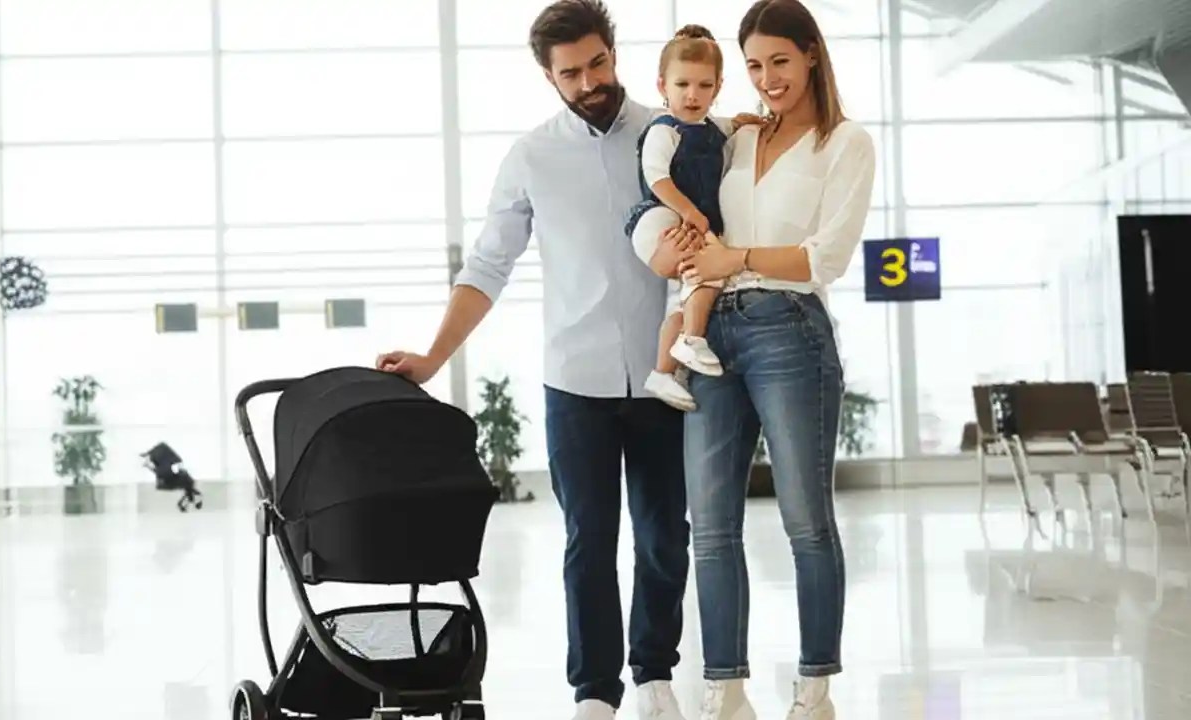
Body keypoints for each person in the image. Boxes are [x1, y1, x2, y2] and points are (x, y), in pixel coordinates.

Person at [375, 2, 693, 719]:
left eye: (598, 63)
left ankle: (655, 672)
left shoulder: (671, 135)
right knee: (588, 542)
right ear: (550, 78)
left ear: (615, 52)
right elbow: (488, 265)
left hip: (663, 377)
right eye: (572, 73)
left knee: (665, 534)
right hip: (574, 383)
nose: (590, 82)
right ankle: (593, 692)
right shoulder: (531, 157)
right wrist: (431, 358)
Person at [674, 1, 877, 719]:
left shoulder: (845, 143)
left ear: (812, 55)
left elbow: (829, 255)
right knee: (712, 523)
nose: (766, 79)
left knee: (805, 519)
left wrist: (741, 258)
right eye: (754, 66)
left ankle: (815, 687)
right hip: (714, 332)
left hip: (790, 330)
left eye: (779, 62)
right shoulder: (736, 140)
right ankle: (725, 688)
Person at [626, 24, 733, 412]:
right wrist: (691, 213)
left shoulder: (711, 129)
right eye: (683, 84)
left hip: (682, 219)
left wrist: (748, 122)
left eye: (705, 86)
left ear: (718, 87)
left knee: (684, 298)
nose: (693, 95)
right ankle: (691, 340)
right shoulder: (664, 130)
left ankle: (663, 371)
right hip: (659, 215)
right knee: (709, 269)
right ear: (662, 86)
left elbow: (731, 125)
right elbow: (656, 177)